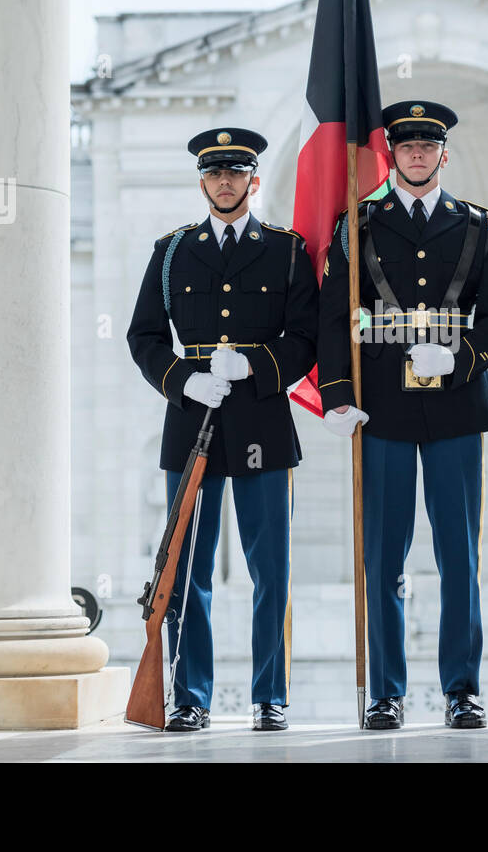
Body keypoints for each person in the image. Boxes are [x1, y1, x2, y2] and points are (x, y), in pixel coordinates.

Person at [318, 100, 488, 729]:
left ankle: (462, 689)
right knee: (384, 558)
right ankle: (386, 691)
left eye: (429, 146)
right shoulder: (358, 225)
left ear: (443, 156)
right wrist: (338, 393)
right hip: (382, 406)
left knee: (460, 556)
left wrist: (459, 359)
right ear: (393, 155)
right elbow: (334, 316)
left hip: (456, 403)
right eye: (408, 146)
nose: (419, 155)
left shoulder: (478, 225)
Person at [127, 127, 318, 732]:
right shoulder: (172, 252)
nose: (226, 181)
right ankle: (191, 697)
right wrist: (182, 380)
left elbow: (307, 338)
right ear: (202, 182)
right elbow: (144, 336)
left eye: (236, 172)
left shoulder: (286, 251)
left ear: (254, 181)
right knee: (187, 569)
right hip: (193, 421)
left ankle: (270, 696)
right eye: (215, 173)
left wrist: (257, 365)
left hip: (262, 417)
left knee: (271, 572)